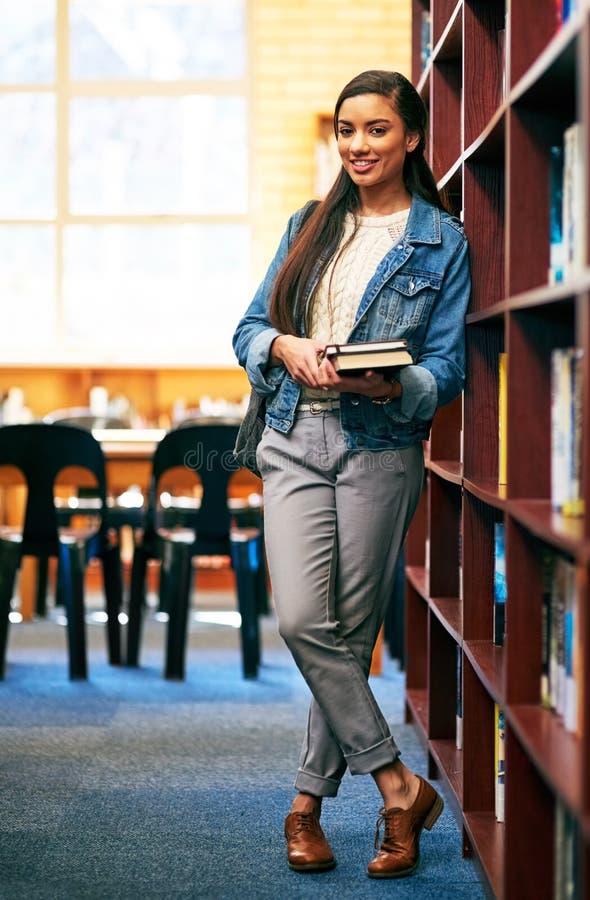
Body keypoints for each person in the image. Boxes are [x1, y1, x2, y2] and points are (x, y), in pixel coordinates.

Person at [232, 69, 470, 879]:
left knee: (348, 634)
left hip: (379, 444)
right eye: (346, 130)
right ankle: (399, 787)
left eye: (375, 130)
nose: (358, 145)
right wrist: (282, 347)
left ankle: (305, 807)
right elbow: (249, 327)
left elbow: (449, 368)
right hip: (293, 436)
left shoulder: (443, 238)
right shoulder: (309, 224)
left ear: (409, 138)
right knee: (305, 622)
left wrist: (394, 381)